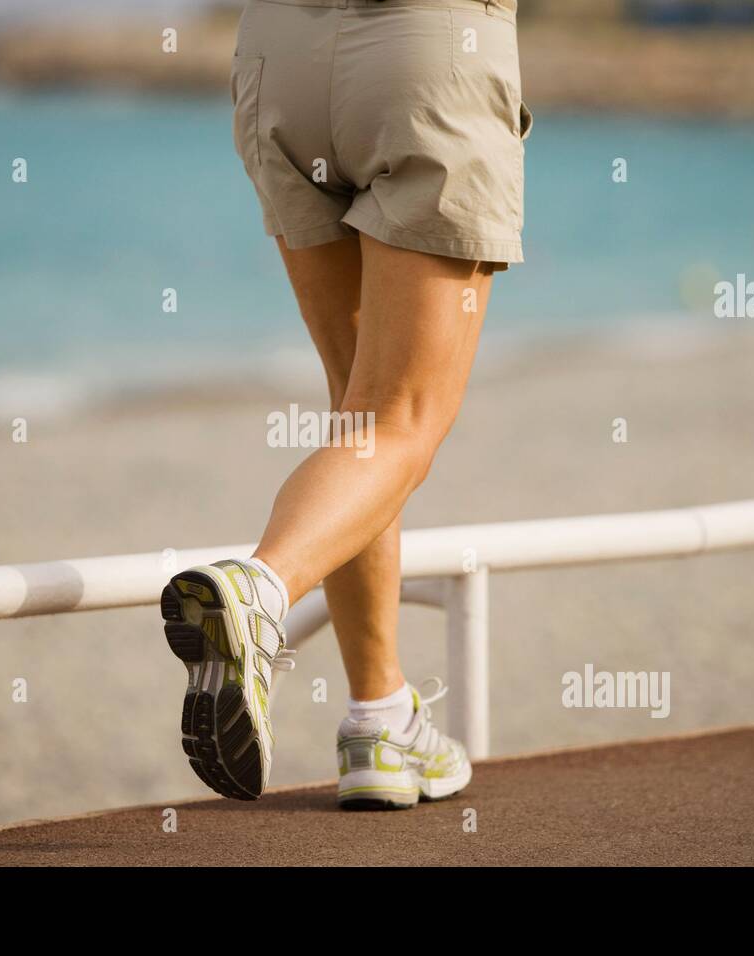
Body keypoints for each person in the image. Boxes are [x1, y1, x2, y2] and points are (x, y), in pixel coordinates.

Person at [161, 0, 530, 809]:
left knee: (358, 411)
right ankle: (261, 589)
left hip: (281, 55)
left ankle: (379, 719)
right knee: (401, 418)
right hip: (430, 48)